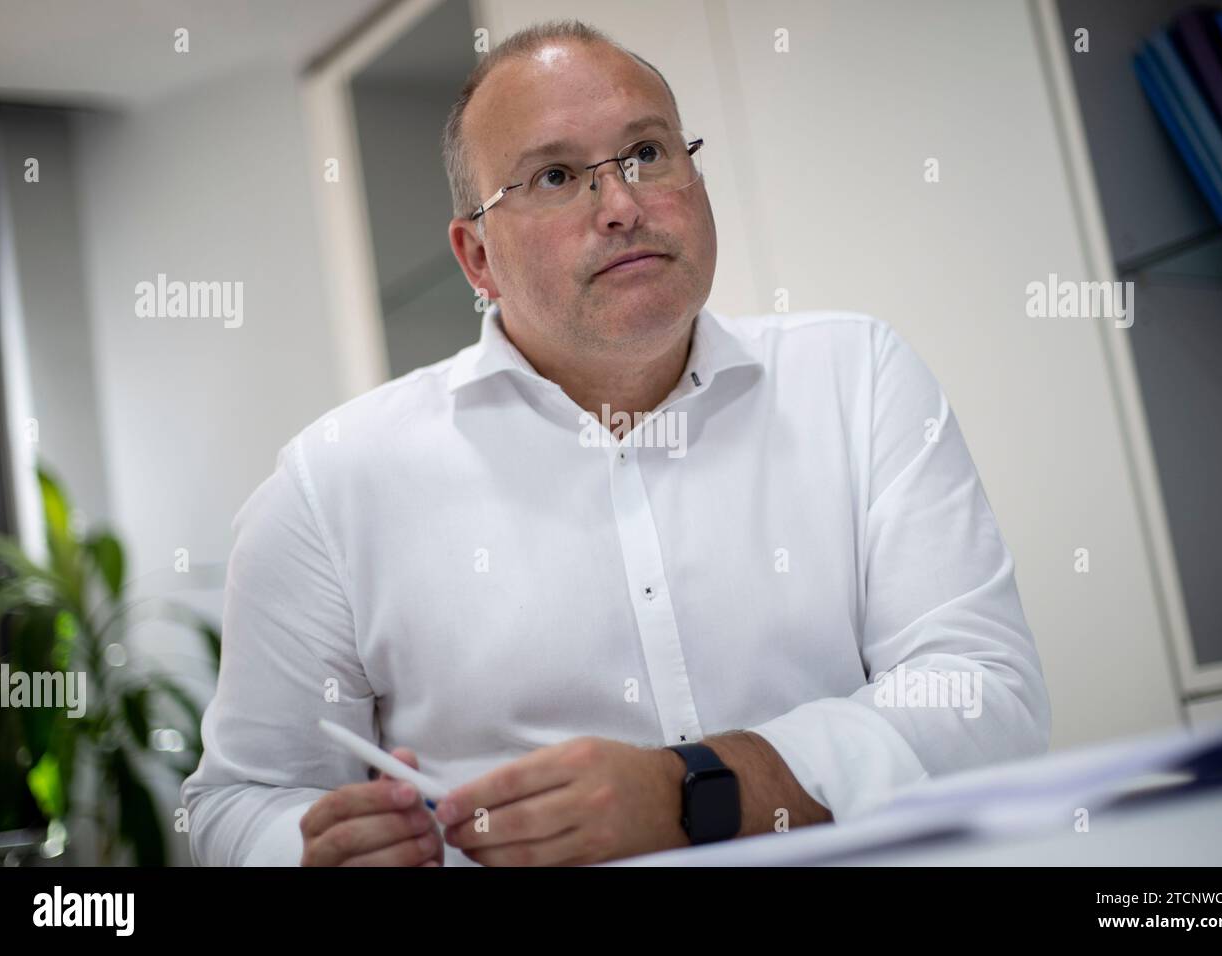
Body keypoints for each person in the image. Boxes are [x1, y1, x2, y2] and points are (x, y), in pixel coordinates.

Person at [181, 18, 1050, 867]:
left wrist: (691, 792)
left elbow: (983, 696)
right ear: (475, 257)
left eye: (647, 154)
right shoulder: (330, 488)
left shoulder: (856, 377)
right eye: (556, 176)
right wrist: (310, 848)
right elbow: (235, 800)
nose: (624, 206)